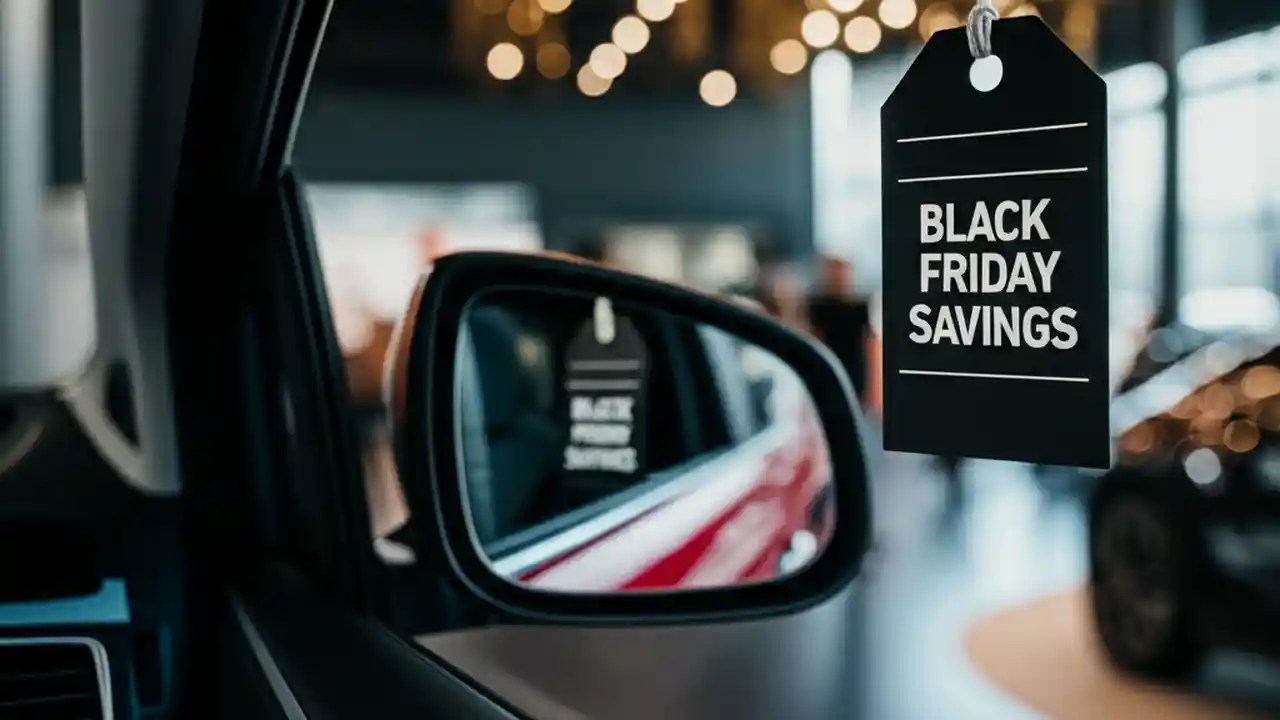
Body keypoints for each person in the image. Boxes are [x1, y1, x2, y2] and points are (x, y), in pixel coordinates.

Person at [806, 256, 871, 401]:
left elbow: (870, 345)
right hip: (828, 368)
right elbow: (814, 337)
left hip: (856, 370)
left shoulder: (859, 308)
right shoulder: (818, 306)